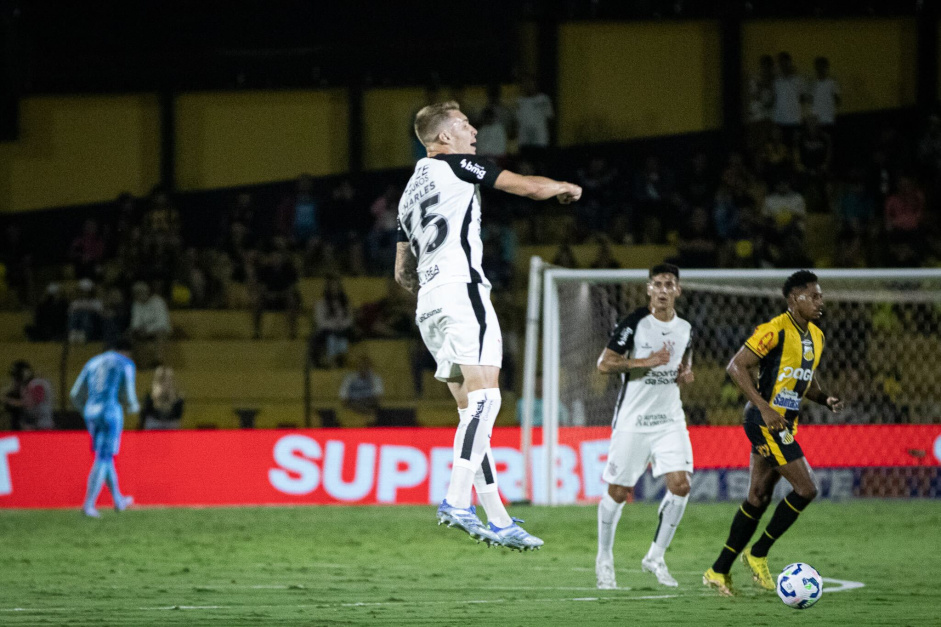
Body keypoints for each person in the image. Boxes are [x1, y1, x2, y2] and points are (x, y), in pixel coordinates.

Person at [395, 100, 581, 549]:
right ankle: (457, 501)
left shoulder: (407, 192)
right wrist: (561, 186)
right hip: (462, 292)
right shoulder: (460, 164)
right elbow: (525, 188)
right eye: (462, 124)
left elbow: (402, 271)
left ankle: (498, 519)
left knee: (470, 413)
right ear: (443, 138)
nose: (473, 129)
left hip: (429, 305)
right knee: (488, 400)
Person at [704, 270, 843, 596]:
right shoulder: (774, 330)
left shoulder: (816, 337)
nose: (820, 301)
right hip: (763, 421)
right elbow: (736, 366)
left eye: (821, 296)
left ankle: (718, 570)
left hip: (784, 424)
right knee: (807, 488)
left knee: (758, 497)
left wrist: (824, 398)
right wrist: (764, 408)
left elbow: (802, 379)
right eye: (814, 296)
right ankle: (758, 552)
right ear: (794, 299)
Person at [595, 264, 695, 590]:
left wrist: (685, 374)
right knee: (618, 492)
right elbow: (605, 363)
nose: (664, 290)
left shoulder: (686, 329)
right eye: (658, 284)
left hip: (669, 419)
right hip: (633, 420)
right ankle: (605, 558)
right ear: (649, 289)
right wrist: (643, 362)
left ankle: (655, 556)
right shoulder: (634, 322)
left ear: (678, 290)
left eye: (670, 284)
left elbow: (683, 363)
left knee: (681, 485)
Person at [70, 339, 140, 518]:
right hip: (110, 411)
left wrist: (85, 410)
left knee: (105, 456)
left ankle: (118, 499)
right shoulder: (125, 363)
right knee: (104, 457)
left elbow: (75, 394)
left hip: (91, 411)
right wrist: (133, 406)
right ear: (125, 351)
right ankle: (89, 504)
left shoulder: (92, 362)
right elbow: (130, 396)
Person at [310, 276, 353, 368]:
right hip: (326, 331)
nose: (334, 288)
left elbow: (349, 320)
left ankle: (339, 361)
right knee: (332, 335)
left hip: (342, 330)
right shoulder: (321, 303)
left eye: (336, 286)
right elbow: (320, 322)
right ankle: (333, 361)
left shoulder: (345, 303)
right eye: (332, 286)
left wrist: (341, 325)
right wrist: (335, 325)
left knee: (340, 334)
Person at [130, 281, 171, 367]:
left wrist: (148, 330)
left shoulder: (158, 302)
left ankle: (157, 361)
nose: (138, 295)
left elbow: (162, 323)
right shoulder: (136, 304)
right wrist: (139, 330)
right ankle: (139, 364)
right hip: (144, 332)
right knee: (132, 335)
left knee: (160, 333)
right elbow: (135, 323)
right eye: (136, 293)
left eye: (140, 292)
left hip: (158, 331)